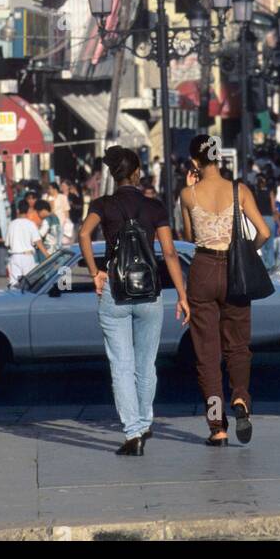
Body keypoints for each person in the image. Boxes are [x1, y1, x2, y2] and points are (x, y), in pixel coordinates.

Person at [79, 145, 190, 456]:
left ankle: (132, 434)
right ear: (137, 173)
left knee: (122, 365)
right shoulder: (155, 207)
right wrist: (182, 295)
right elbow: (169, 253)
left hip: (115, 289)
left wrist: (94, 272)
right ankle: (145, 421)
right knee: (146, 364)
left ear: (113, 176)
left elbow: (84, 234)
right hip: (150, 293)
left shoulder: (103, 204)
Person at [180, 133, 270, 446]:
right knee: (238, 345)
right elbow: (264, 232)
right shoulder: (239, 190)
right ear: (220, 158)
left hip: (203, 269)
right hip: (235, 270)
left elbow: (190, 235)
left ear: (194, 162)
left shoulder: (187, 195)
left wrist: (191, 185)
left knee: (206, 353)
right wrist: (247, 253)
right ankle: (241, 398)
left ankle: (217, 425)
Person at [5, 201, 49, 286]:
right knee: (29, 284)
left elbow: (7, 244)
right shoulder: (31, 224)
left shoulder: (11, 224)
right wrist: (47, 255)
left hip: (14, 256)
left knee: (14, 284)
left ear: (18, 210)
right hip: (28, 257)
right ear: (28, 211)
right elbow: (38, 241)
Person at [252, 168, 278, 270]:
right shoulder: (270, 192)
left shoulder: (255, 193)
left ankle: (263, 265)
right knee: (270, 244)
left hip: (259, 218)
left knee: (261, 244)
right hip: (269, 218)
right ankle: (271, 264)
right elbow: (273, 207)